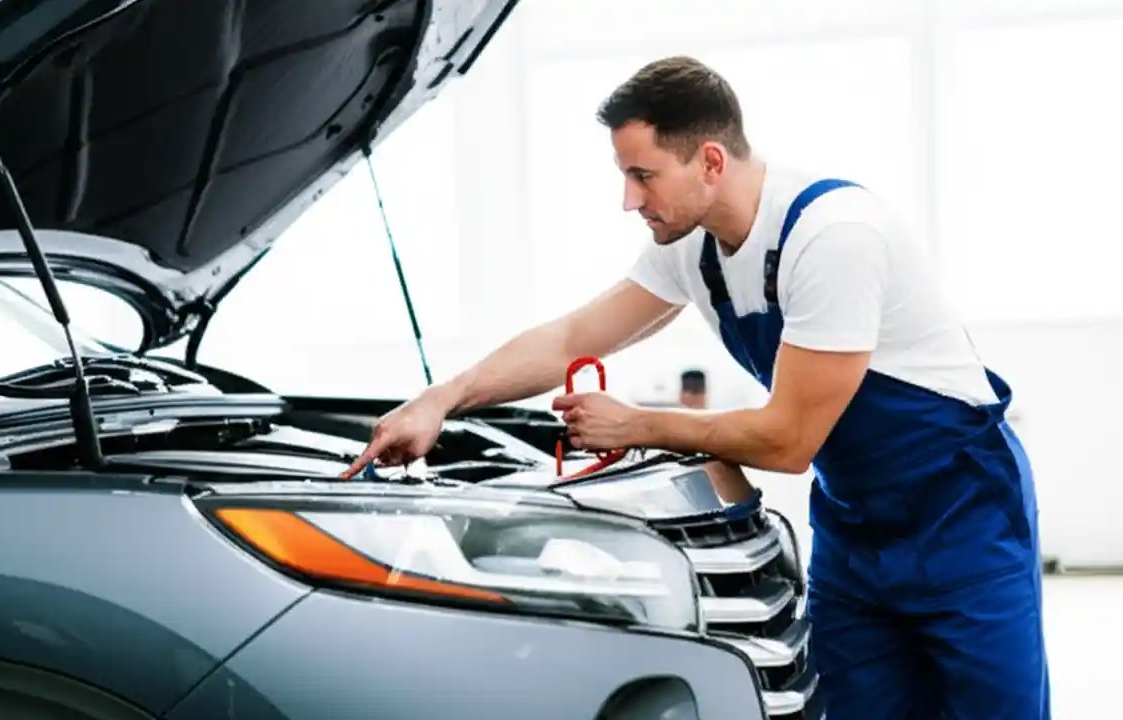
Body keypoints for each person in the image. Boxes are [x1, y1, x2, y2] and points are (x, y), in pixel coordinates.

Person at [341, 56, 1048, 719]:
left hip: (963, 519)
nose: (627, 199)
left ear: (710, 160)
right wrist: (440, 398)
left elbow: (788, 439)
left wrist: (641, 425)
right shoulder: (691, 248)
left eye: (642, 175)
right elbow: (569, 340)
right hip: (856, 528)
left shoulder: (833, 238)